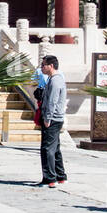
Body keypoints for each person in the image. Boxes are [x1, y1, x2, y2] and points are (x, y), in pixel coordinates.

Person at [37, 54, 68, 188]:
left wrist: (47, 118)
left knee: (47, 148)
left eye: (43, 65)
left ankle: (50, 178)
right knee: (55, 148)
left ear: (51, 66)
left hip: (53, 118)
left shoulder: (55, 81)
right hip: (55, 117)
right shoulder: (53, 79)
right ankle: (60, 175)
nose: (41, 67)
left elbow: (52, 101)